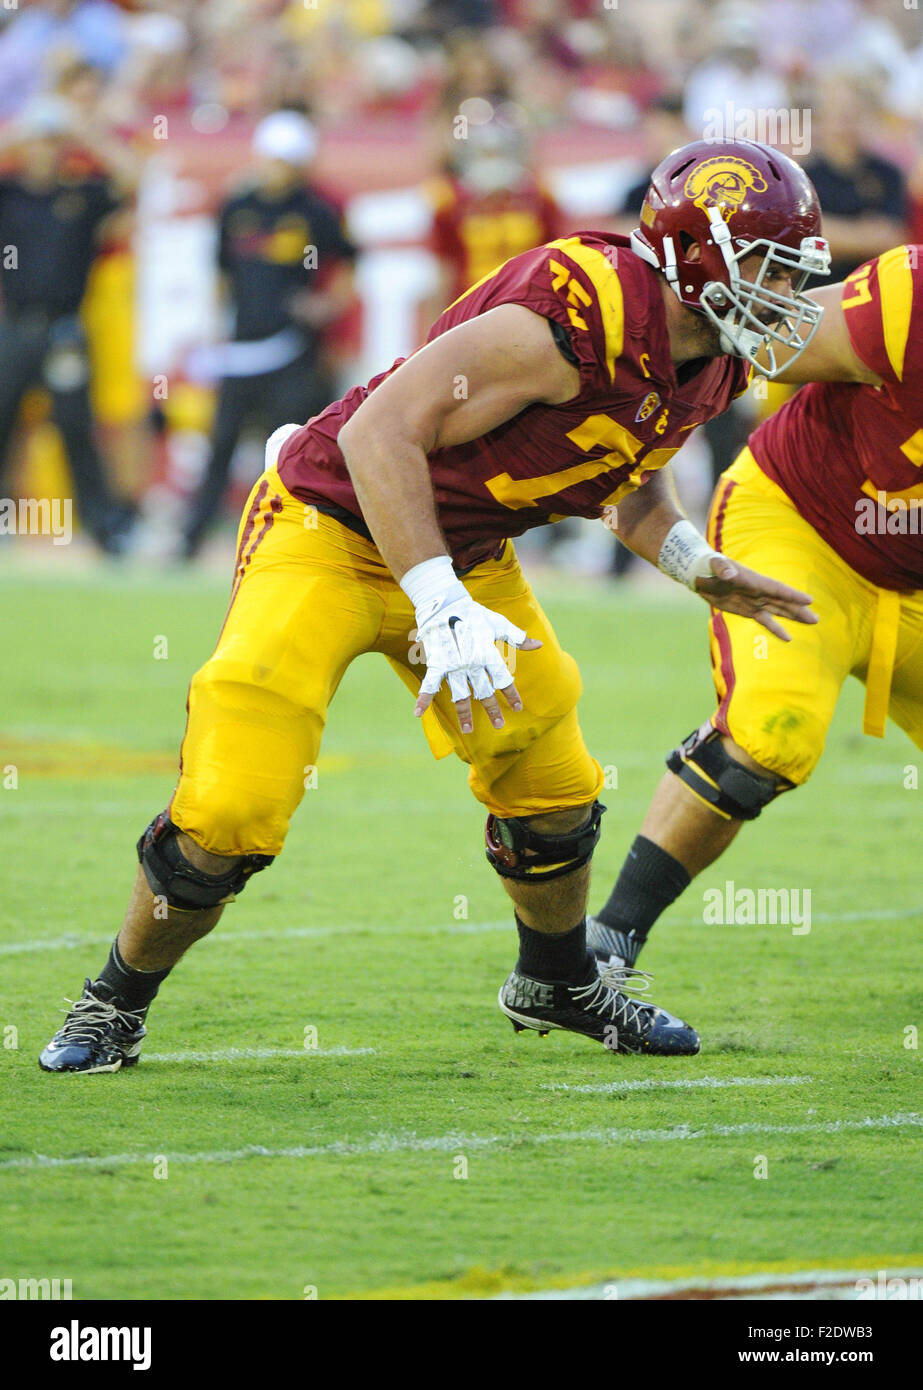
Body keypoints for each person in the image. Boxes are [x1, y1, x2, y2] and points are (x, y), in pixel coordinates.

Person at [39, 139, 828, 1074]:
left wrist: (695, 561)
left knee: (551, 776)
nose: (788, 293)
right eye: (770, 266)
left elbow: (625, 477)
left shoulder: (711, 359)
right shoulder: (573, 311)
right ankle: (112, 1002)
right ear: (699, 257)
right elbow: (380, 433)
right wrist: (435, 600)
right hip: (330, 527)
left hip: (459, 554)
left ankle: (557, 982)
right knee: (232, 801)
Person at [588, 244, 923, 982]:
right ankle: (606, 946)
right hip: (803, 523)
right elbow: (747, 340)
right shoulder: (910, 301)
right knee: (771, 733)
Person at [180, 110, 357, 560]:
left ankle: (302, 540)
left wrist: (325, 307)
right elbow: (222, 272)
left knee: (294, 444)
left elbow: (347, 263)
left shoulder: (317, 209)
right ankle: (190, 539)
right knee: (222, 441)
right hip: (243, 344)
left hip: (294, 346)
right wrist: (215, 325)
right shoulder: (237, 207)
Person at [0, 95, 138, 552]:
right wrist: (17, 132)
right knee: (3, 423)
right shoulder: (10, 193)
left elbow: (133, 177)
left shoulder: (82, 194)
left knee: (76, 427)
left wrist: (85, 133)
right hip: (15, 327)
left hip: (65, 330)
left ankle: (104, 530)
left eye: (51, 141)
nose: (43, 150)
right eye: (37, 141)